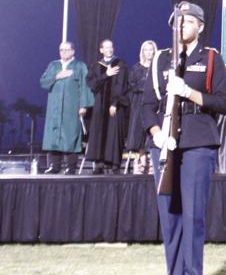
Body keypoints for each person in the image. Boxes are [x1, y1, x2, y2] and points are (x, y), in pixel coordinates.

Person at [143, 2, 226, 275]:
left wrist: (189, 93)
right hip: (165, 143)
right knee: (169, 215)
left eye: (188, 21)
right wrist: (157, 135)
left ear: (201, 26)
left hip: (197, 141)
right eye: (177, 22)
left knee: (193, 214)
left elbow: (224, 102)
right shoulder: (161, 60)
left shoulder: (210, 59)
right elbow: (145, 106)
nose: (181, 27)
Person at [39, 41, 94, 174]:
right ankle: (54, 166)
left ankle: (71, 167)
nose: (63, 52)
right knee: (54, 136)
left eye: (67, 50)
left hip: (71, 107)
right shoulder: (54, 65)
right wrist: (57, 76)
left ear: (73, 51)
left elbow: (85, 87)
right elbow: (43, 82)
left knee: (71, 136)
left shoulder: (80, 66)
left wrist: (83, 106)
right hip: (55, 108)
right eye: (61, 50)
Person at [86, 39, 129, 174]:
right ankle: (99, 164)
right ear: (101, 50)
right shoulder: (95, 66)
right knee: (99, 132)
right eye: (107, 47)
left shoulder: (120, 65)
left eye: (111, 47)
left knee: (114, 133)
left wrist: (114, 103)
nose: (110, 49)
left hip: (115, 105)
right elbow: (92, 85)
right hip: (100, 105)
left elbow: (122, 86)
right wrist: (106, 75)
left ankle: (114, 164)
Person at [125, 40, 157, 174]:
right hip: (139, 103)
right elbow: (132, 85)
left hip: (154, 103)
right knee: (138, 131)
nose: (149, 52)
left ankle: (151, 161)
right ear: (142, 52)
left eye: (151, 50)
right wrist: (145, 87)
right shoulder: (136, 68)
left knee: (151, 131)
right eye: (146, 50)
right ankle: (141, 160)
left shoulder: (157, 67)